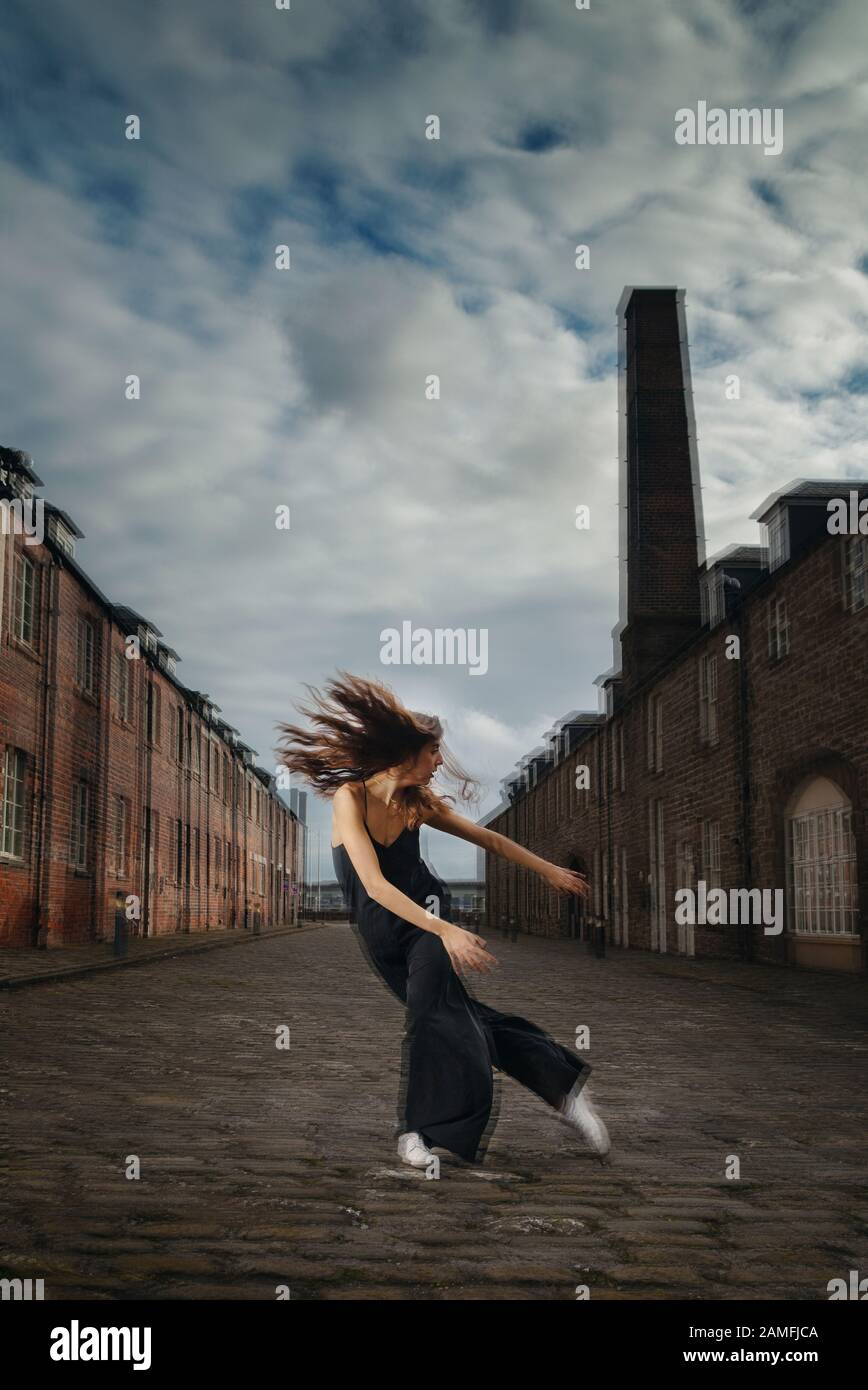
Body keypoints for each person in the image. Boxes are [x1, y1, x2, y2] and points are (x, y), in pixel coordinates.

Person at [277, 670, 611, 1169]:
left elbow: (491, 840)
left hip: (428, 921)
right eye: (434, 751)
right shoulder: (351, 798)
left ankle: (415, 1132)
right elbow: (373, 887)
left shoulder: (419, 804)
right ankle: (562, 1088)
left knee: (430, 1018)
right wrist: (448, 931)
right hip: (386, 932)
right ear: (407, 751)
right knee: (463, 1020)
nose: (439, 762)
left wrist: (549, 871)